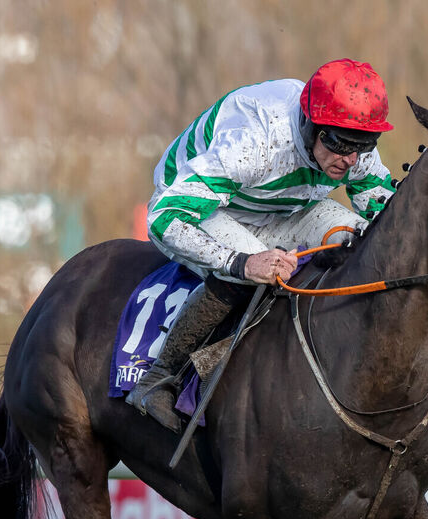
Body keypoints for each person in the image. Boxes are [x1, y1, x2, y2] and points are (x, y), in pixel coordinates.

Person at [127, 58, 397, 430]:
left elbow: (380, 205)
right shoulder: (255, 142)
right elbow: (162, 218)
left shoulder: (351, 143)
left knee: (359, 242)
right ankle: (159, 377)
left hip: (285, 205)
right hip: (205, 206)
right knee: (255, 270)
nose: (350, 159)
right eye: (338, 144)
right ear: (309, 123)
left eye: (364, 145)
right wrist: (241, 263)